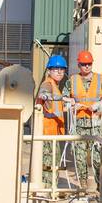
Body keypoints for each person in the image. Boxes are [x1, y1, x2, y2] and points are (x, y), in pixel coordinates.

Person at [68, 50, 102, 186]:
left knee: (98, 158)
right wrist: (70, 103)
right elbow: (65, 98)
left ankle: (101, 186)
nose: (87, 66)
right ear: (79, 65)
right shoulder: (72, 81)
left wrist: (99, 105)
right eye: (84, 64)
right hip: (79, 124)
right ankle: (83, 184)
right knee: (80, 157)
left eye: (89, 64)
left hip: (96, 124)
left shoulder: (101, 80)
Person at [36, 54, 68, 186]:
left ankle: (51, 191)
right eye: (55, 69)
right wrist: (62, 99)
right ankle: (48, 192)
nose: (59, 72)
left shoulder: (55, 85)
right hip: (47, 131)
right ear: (49, 71)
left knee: (54, 163)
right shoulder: (47, 84)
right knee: (49, 164)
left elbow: (54, 108)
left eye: (62, 69)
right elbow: (42, 94)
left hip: (54, 130)